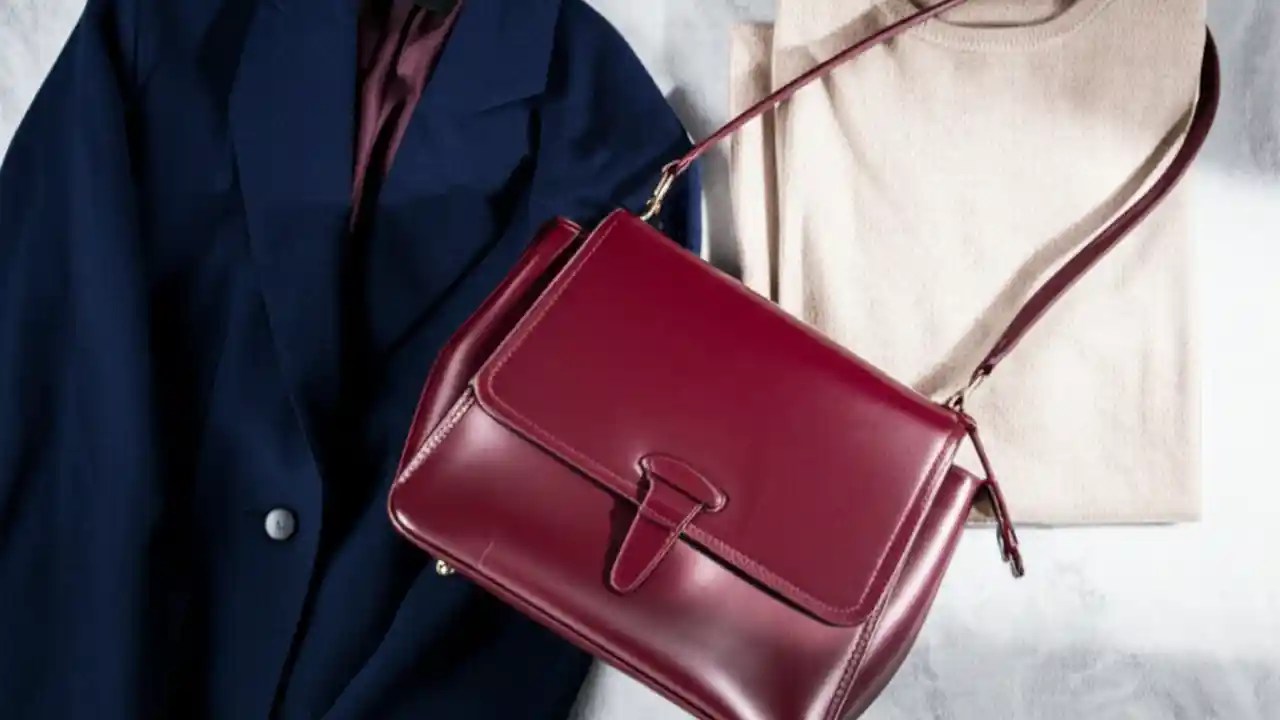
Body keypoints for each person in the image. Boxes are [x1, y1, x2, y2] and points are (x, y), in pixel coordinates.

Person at [0, 0, 699, 717]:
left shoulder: (612, 139)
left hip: (357, 672)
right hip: (117, 638)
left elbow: (542, 542)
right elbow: (56, 363)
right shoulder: (160, 25)